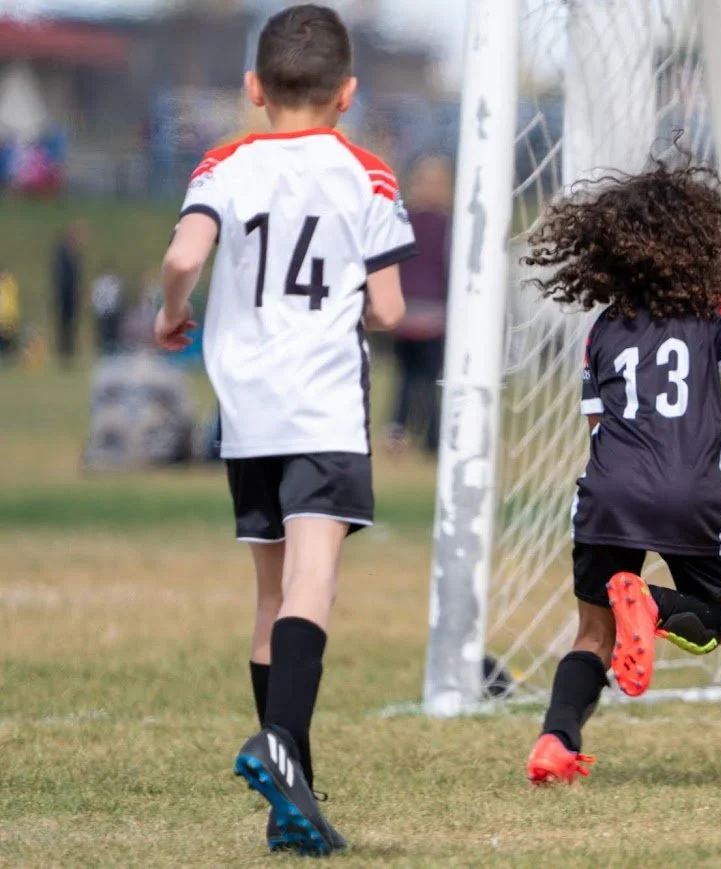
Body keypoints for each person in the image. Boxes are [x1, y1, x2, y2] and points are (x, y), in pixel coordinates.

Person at [154, 4, 413, 853]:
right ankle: (280, 752)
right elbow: (387, 306)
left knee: (269, 596)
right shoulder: (367, 174)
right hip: (324, 406)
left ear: (253, 88)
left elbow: (186, 256)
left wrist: (172, 312)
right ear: (348, 93)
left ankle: (287, 800)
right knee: (314, 585)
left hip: (248, 408)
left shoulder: (223, 163)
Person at [520, 157, 721, 785]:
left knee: (593, 632)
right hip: (688, 493)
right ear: (700, 242)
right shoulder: (714, 310)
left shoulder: (602, 329)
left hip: (608, 492)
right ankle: (656, 608)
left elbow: (604, 424)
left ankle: (555, 743)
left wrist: (691, 415)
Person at [387, 155, 453, 455]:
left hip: (404, 311)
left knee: (406, 377)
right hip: (432, 313)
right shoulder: (449, 225)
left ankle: (398, 431)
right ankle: (431, 437)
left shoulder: (403, 219)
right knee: (428, 378)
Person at [53, 219, 86, 367]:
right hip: (63, 295)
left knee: (72, 324)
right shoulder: (62, 254)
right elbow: (59, 276)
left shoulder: (75, 256)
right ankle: (63, 353)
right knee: (63, 324)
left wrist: (78, 291)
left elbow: (77, 277)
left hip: (72, 296)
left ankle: (70, 352)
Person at [90, 262, 124, 356]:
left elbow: (117, 298)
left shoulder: (114, 283)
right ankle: (104, 348)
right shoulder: (100, 283)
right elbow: (97, 297)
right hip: (103, 312)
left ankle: (112, 348)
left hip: (111, 312)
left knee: (112, 333)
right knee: (103, 332)